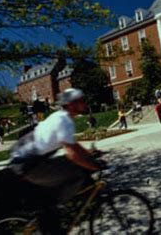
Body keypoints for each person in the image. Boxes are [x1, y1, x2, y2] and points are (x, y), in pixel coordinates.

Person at [9, 88, 102, 234]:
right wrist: (93, 165)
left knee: (70, 168)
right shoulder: (64, 120)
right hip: (29, 164)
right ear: (72, 104)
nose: (85, 103)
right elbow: (72, 155)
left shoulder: (59, 116)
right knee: (77, 171)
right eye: (81, 100)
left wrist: (89, 154)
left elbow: (73, 145)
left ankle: (50, 208)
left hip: (24, 159)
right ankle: (54, 211)